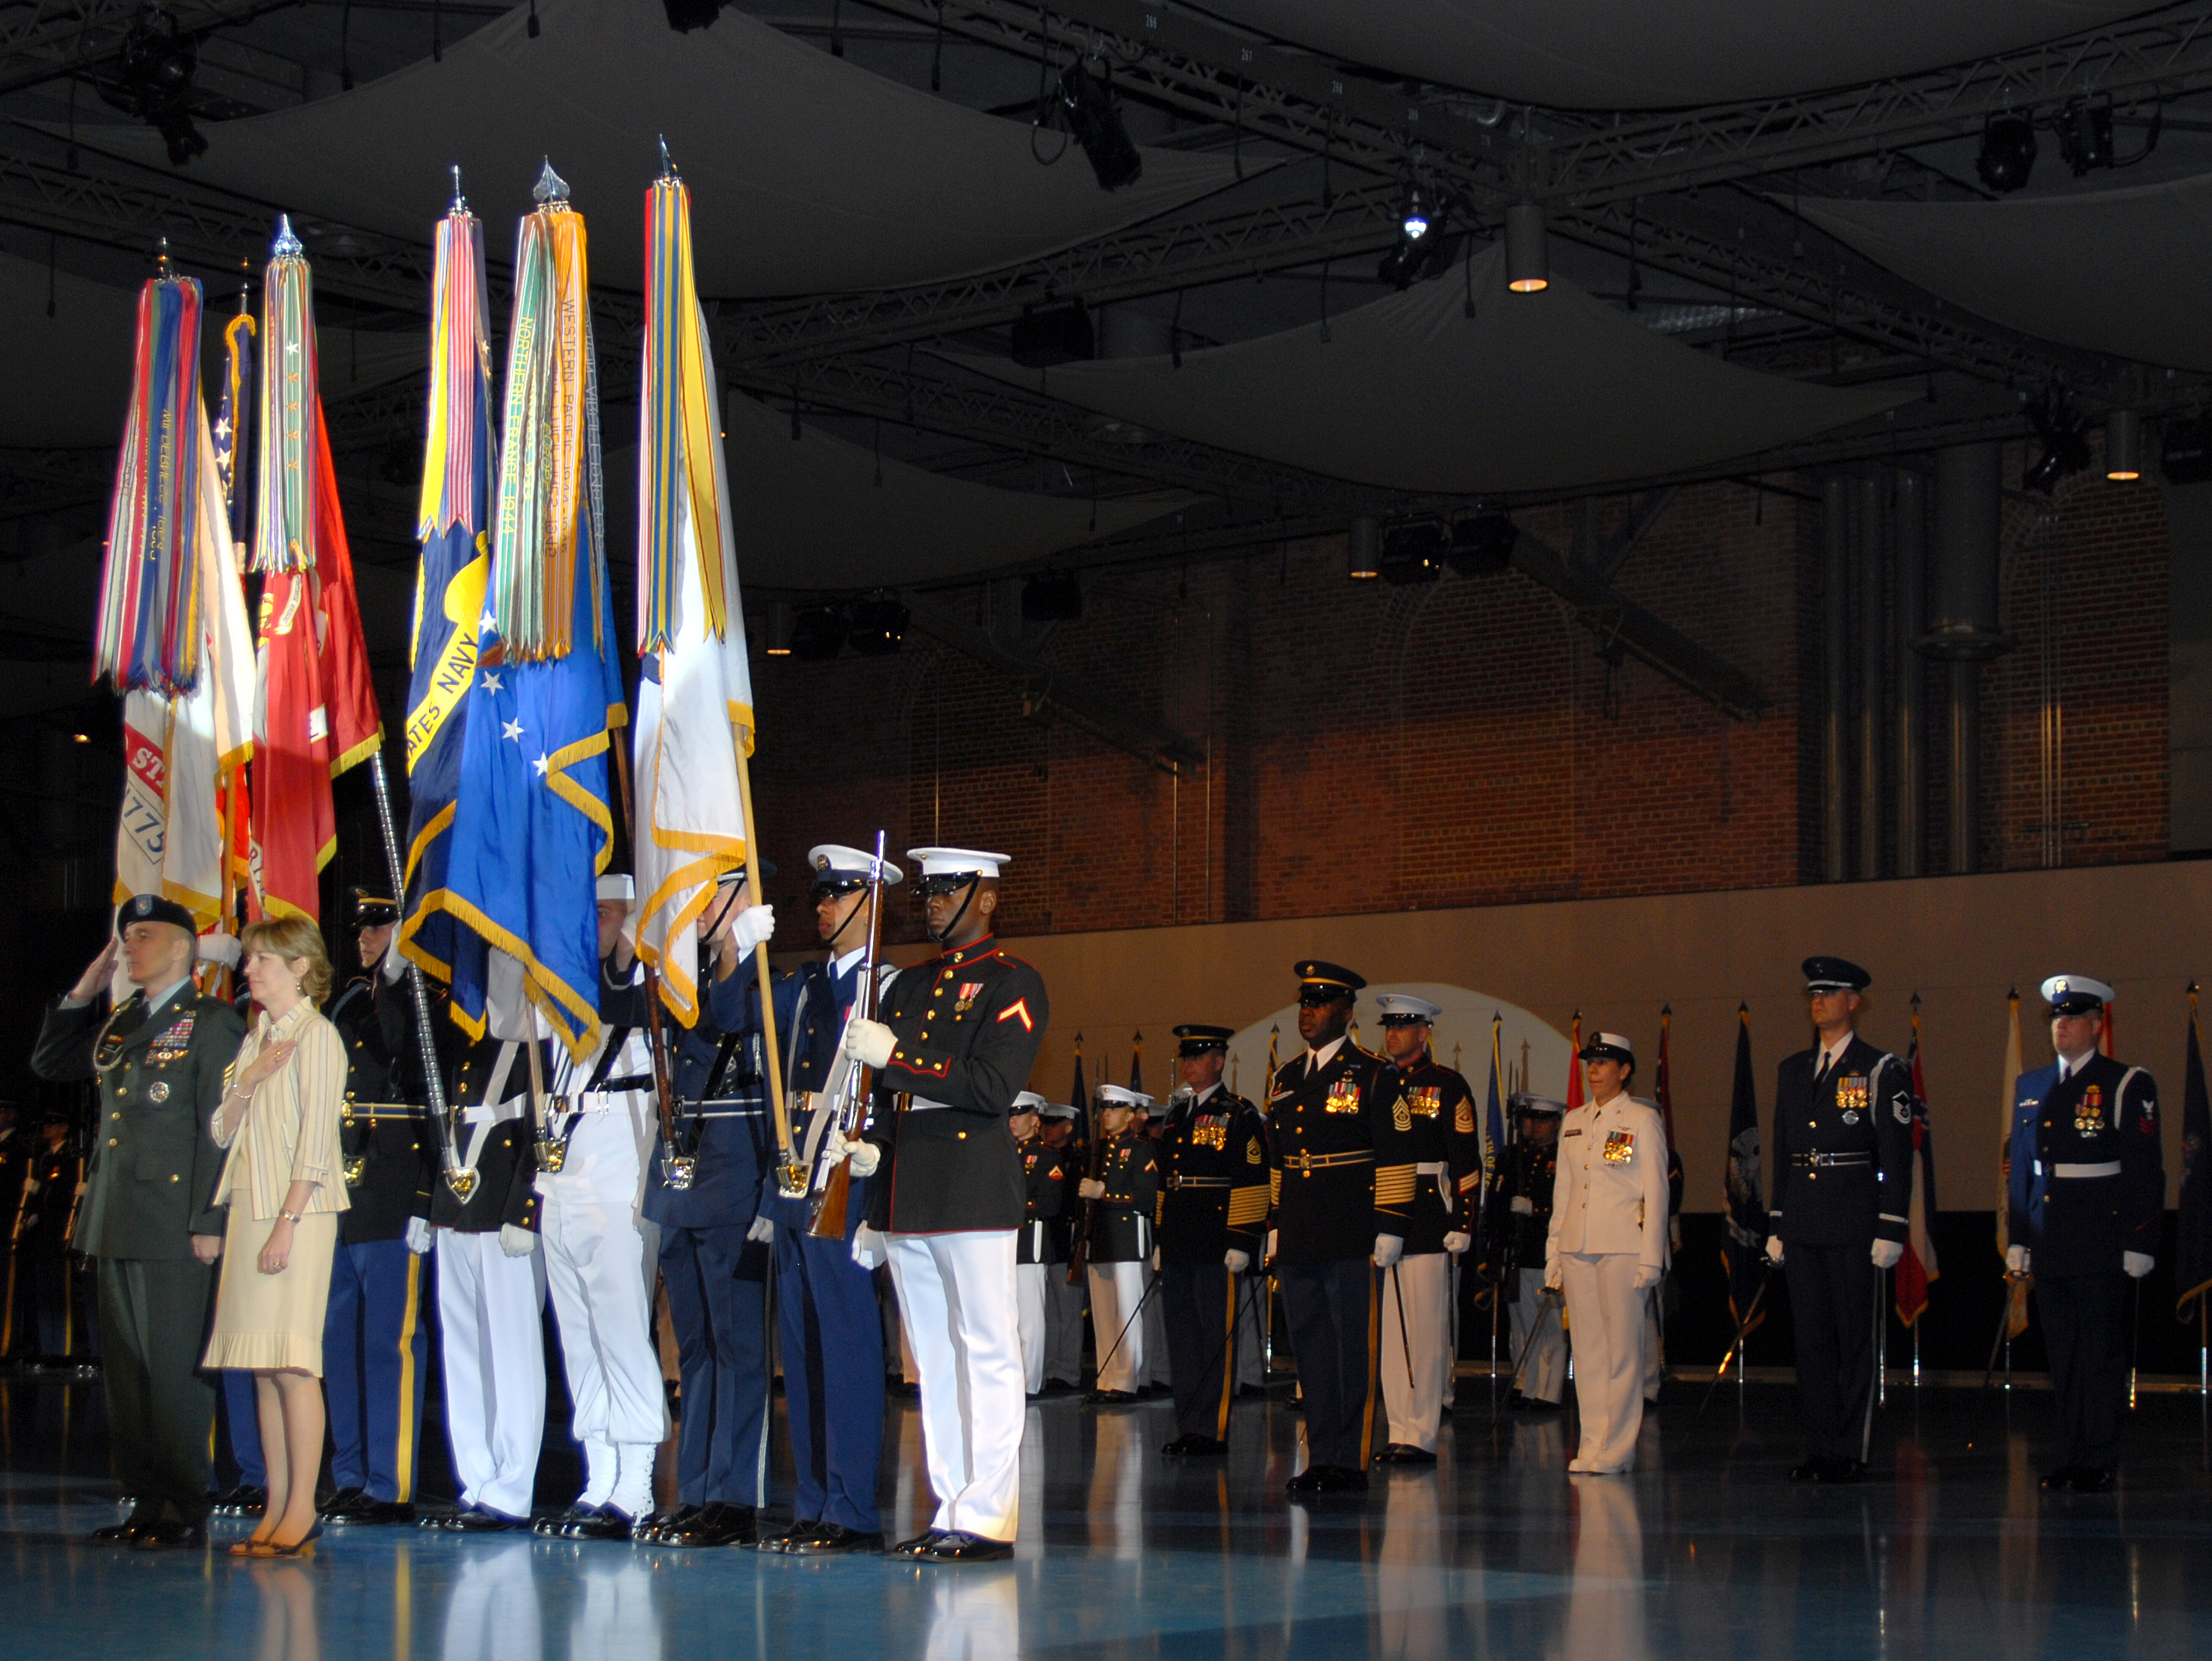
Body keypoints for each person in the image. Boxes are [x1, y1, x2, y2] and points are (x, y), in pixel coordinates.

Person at [834, 846, 1049, 1562]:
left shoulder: (1014, 982)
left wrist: (896, 1056)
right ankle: (952, 1503)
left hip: (970, 1185)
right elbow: (886, 1102)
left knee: (987, 1350)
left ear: (985, 898)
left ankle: (988, 1516)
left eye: (950, 889)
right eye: (928, 890)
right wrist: (874, 1162)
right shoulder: (910, 984)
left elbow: (990, 1087)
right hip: (910, 1188)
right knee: (934, 1357)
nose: (933, 901)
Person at [33, 895, 245, 1548]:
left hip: (174, 1221)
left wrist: (210, 1217)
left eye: (144, 935)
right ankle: (145, 1501)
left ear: (182, 948)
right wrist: (82, 992)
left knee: (174, 1369)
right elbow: (50, 1063)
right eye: (127, 936)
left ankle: (183, 1505)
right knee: (126, 1373)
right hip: (116, 1215)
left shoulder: (211, 1022)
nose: (129, 945)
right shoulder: (124, 1018)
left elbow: (218, 1130)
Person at [756, 843, 896, 1557]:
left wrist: (879, 1203)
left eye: (837, 895)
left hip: (848, 1179)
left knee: (847, 1348)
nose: (823, 907)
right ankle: (813, 1501)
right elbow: (734, 1014)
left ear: (870, 904)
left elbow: (894, 1100)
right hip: (795, 1180)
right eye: (819, 896)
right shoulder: (805, 985)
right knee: (804, 1350)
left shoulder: (888, 988)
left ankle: (853, 1508)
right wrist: (737, 950)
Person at [636, 866, 781, 1549]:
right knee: (695, 1349)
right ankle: (695, 1489)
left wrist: (741, 953)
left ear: (744, 898)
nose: (697, 906)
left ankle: (734, 1497)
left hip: (733, 1179)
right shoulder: (683, 973)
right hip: (681, 1180)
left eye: (712, 892)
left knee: (738, 1347)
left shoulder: (765, 979)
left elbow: (730, 1017)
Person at [532, 874, 673, 1541]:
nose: (592, 927)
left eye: (607, 915)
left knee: (620, 1325)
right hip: (563, 1163)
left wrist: (631, 949)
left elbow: (628, 999)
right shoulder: (566, 988)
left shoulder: (645, 985)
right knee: (579, 1333)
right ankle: (599, 1474)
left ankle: (637, 1480)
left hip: (619, 1157)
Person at [204, 914, 350, 1557]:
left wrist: (286, 1226)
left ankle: (303, 1507)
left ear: (300, 967)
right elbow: (221, 1129)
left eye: (263, 959)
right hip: (250, 1207)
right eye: (250, 958)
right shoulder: (259, 1037)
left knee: (292, 1363)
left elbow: (317, 1144)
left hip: (297, 1213)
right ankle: (275, 1503)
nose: (250, 969)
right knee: (264, 1367)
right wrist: (251, 1076)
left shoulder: (317, 1037)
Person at [2008, 975, 2164, 1493]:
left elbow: (2145, 1170)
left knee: (2098, 1356)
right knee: (2064, 1357)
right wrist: (2019, 1237)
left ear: (2097, 1025)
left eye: (2073, 1018)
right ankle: (2072, 1455)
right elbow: (2023, 1169)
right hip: (2049, 1238)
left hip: (2100, 1238)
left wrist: (2139, 1240)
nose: (2062, 1026)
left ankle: (2098, 1458)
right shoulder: (2032, 1087)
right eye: (2057, 1017)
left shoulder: (2124, 1083)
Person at [1265, 961, 1415, 1496]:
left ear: (1347, 1013)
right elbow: (1280, 1158)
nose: (1308, 1012)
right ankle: (1321, 1456)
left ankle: (1349, 1461)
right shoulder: (1286, 1078)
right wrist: (1276, 1222)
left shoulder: (1373, 1073)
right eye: (1304, 1003)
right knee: (1311, 1350)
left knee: (1352, 1348)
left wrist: (1392, 1223)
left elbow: (1397, 1151)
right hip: (1301, 1227)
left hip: (1352, 1228)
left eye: (1320, 1003)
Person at [1766, 956, 1915, 1484]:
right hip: (1804, 1219)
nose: (1819, 1001)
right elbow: (1784, 1150)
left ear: (1854, 1002)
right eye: (1814, 993)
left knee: (1854, 1340)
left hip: (1854, 1219)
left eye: (1830, 993)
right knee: (1811, 1342)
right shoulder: (1793, 1070)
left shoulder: (1880, 1068)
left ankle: (1852, 1448)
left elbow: (1897, 1154)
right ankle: (1820, 1447)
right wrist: (1778, 1222)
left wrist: (1891, 1226)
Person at [318, 889, 436, 1527]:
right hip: (342, 1184)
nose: (366, 937)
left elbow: (402, 1049)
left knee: (389, 1341)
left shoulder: (424, 998)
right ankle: (350, 1474)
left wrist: (397, 975)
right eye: (361, 928)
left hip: (394, 1183)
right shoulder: (346, 1000)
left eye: (381, 925)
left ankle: (390, 1484)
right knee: (338, 1339)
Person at [418, 1001, 549, 1532]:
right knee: (464, 1349)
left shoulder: (535, 1022)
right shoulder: (468, 1019)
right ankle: (477, 1479)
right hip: (458, 1199)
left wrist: (526, 1205)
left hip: (502, 1199)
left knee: (512, 1353)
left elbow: (543, 1118)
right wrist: (429, 1202)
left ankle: (512, 1489)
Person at [1545, 1032, 1668, 1476]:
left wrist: (1652, 1256)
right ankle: (1593, 1441)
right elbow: (1564, 1194)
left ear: (1625, 1070)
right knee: (1588, 1352)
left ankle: (1618, 1447)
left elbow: (1656, 1192)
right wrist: (1554, 1254)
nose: (1593, 1070)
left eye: (1603, 1063)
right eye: (1590, 1063)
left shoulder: (1641, 1119)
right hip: (1577, 1245)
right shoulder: (1574, 1120)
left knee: (1622, 1352)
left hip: (1622, 1247)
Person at [1369, 995, 1483, 1465]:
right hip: (1382, 1212)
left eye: (1403, 1026)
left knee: (1425, 1331)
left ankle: (1422, 1433)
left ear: (1424, 1032)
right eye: (1389, 1026)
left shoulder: (1446, 1085)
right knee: (1391, 1335)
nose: (1393, 1034)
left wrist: (1463, 1221)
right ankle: (1399, 1427)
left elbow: (1466, 1160)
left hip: (1428, 1214)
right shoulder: (1375, 1082)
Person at [1153, 1023, 1268, 1457]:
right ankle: (1189, 1425)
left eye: (1199, 1057)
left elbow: (1253, 1177)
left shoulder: (1238, 1112)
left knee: (1214, 1337)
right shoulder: (1176, 1115)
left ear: (1219, 1062)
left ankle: (1212, 1428)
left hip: (1217, 1240)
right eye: (1186, 1057)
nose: (1190, 1064)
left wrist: (1242, 1238)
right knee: (1182, 1338)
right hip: (1180, 1238)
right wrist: (1161, 1238)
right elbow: (1166, 1181)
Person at [1487, 1093, 1567, 1411]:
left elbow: (1567, 1203)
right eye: (1529, 1119)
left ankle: (1549, 1391)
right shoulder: (1513, 1156)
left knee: (1548, 1325)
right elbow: (1497, 1200)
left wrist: (1537, 1209)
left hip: (1544, 1250)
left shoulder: (1564, 1156)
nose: (1534, 1126)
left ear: (1557, 1123)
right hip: (1516, 1251)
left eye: (1542, 1120)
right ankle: (1525, 1384)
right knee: (1520, 1325)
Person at [1080, 1084, 1158, 1404]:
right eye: (1105, 1109)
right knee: (1103, 1315)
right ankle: (1106, 1377)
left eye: (1114, 1109)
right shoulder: (1098, 1149)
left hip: (1127, 1239)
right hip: (1101, 1239)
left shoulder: (1141, 1149)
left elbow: (1147, 1197)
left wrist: (1105, 1193)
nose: (1107, 1115)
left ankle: (1126, 1380)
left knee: (1127, 1312)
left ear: (1129, 1115)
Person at [1009, 1091, 1067, 1400]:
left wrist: (1013, 1207)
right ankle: (1012, 1381)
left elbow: (1049, 1203)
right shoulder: (1005, 1152)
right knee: (1008, 1318)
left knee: (1029, 1319)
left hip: (1030, 1244)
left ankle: (1030, 1382)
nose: (1013, 1121)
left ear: (1035, 1121)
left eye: (1020, 1115)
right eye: (1011, 1115)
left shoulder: (1046, 1156)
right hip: (1005, 1244)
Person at [1036, 1101, 1087, 1393]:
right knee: (1047, 1312)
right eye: (1046, 1123)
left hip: (1066, 1240)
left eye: (1055, 1124)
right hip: (1045, 1240)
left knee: (1067, 1311)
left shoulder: (1077, 1159)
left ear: (1068, 1127)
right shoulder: (1044, 1155)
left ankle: (1067, 1371)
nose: (1048, 1129)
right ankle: (1048, 1367)